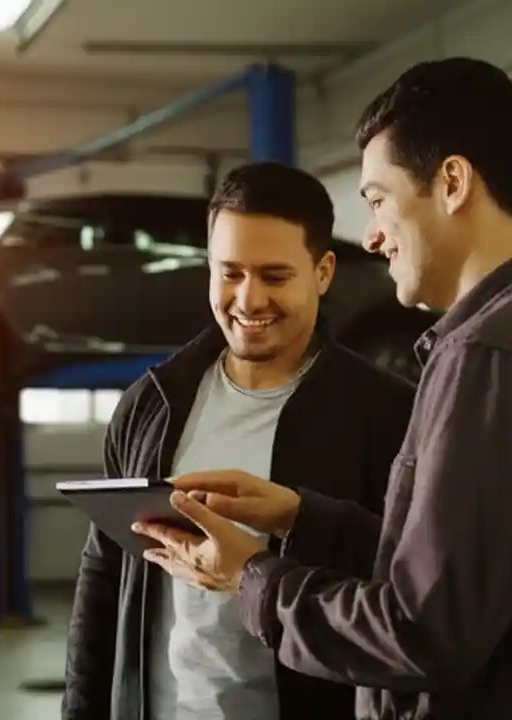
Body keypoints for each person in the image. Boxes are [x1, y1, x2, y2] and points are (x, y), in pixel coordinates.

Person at [135, 57, 512, 719]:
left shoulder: (493, 356)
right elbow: (478, 570)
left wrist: (251, 579)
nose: (375, 235)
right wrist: (302, 518)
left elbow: (422, 632)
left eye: (379, 199)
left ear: (451, 182)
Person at [62, 162, 417, 720]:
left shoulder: (388, 415)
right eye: (230, 273)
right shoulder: (151, 404)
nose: (248, 301)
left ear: (323, 272)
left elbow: (409, 589)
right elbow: (104, 579)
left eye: (274, 277)